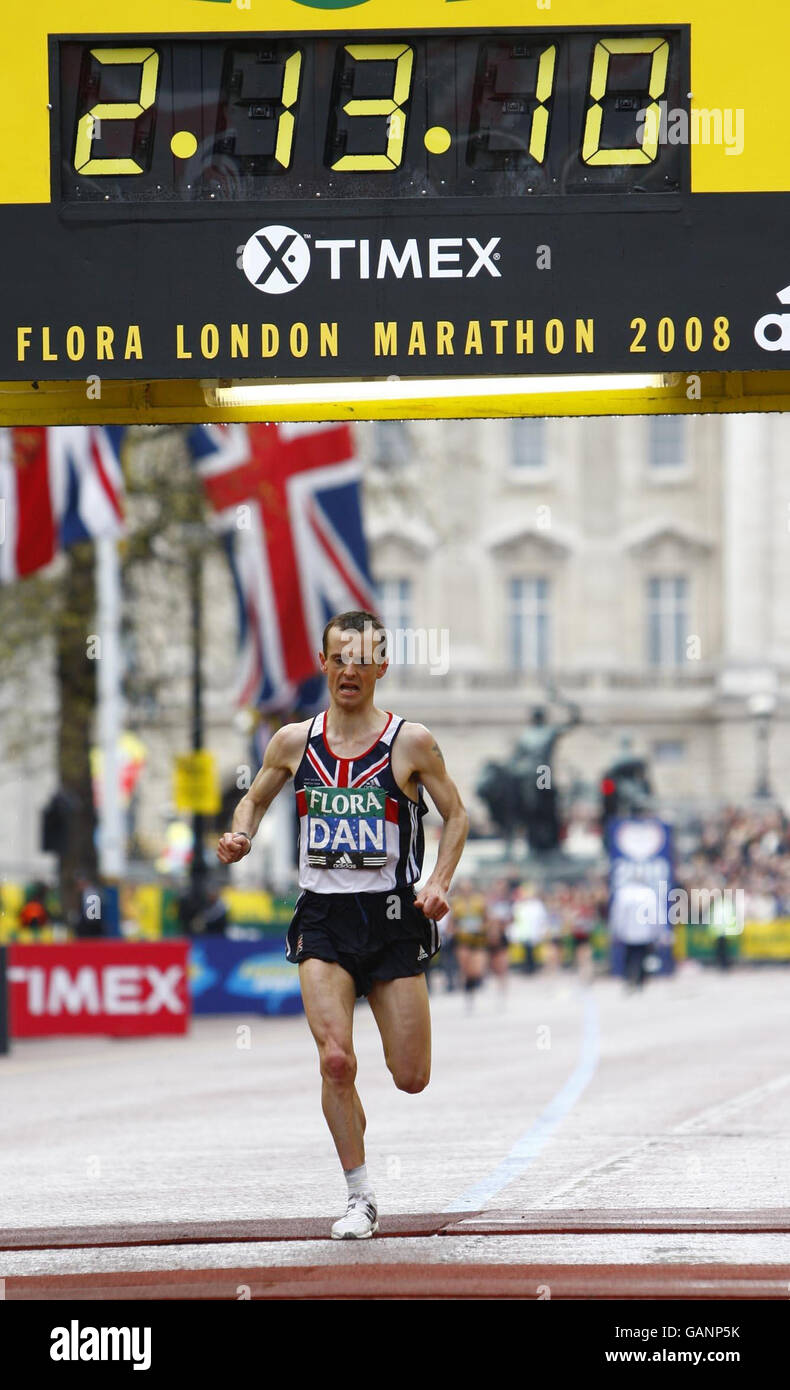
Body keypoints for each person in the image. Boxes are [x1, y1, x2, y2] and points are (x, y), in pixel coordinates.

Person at [217, 610, 468, 1239]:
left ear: (382, 666)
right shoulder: (294, 741)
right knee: (335, 1060)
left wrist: (437, 882)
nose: (349, 669)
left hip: (391, 916)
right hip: (323, 916)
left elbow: (456, 816)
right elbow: (255, 796)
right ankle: (360, 1196)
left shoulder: (411, 743)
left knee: (411, 1077)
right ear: (324, 664)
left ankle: (365, 1147)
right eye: (338, 657)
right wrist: (241, 833)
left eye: (362, 659)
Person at [609, 881, 659, 990]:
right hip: (644, 932)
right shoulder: (648, 893)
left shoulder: (624, 894)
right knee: (642, 957)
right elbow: (653, 914)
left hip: (629, 932)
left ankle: (630, 978)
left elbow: (618, 914)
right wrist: (655, 930)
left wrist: (617, 929)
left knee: (630, 956)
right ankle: (640, 981)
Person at [451, 879, 489, 1006]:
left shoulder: (480, 900)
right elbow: (451, 923)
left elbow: (487, 919)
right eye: (463, 889)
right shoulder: (455, 903)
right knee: (465, 968)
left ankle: (473, 985)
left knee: (477, 969)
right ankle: (467, 994)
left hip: (478, 939)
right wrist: (457, 930)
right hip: (463, 941)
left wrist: (483, 928)